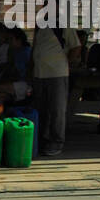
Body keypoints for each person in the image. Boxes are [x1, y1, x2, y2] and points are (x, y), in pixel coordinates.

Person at [31, 21, 82, 156]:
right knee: (40, 108)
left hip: (57, 73)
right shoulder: (40, 24)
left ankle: (56, 141)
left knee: (57, 109)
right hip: (39, 73)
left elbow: (76, 47)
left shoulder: (64, 23)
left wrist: (64, 62)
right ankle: (42, 139)